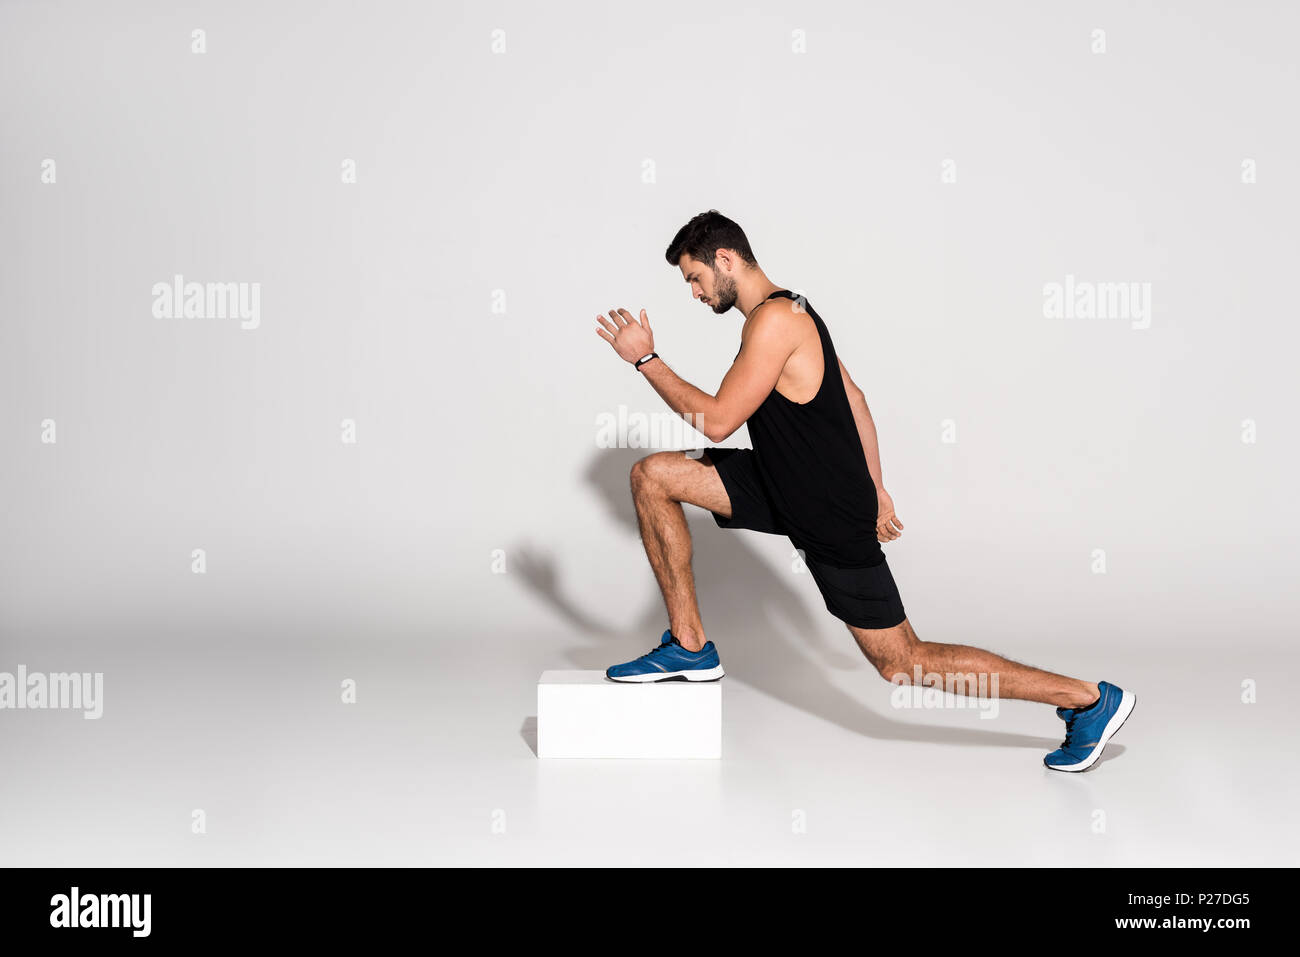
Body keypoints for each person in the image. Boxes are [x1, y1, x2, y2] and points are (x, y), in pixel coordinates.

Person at [593, 209, 1134, 771]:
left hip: (824, 507)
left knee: (902, 662)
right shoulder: (795, 309)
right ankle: (689, 644)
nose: (695, 293)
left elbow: (718, 421)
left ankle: (1088, 700)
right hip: (783, 482)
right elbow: (854, 399)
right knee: (653, 474)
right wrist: (878, 488)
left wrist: (646, 360)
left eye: (694, 278)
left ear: (724, 260)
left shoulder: (775, 322)